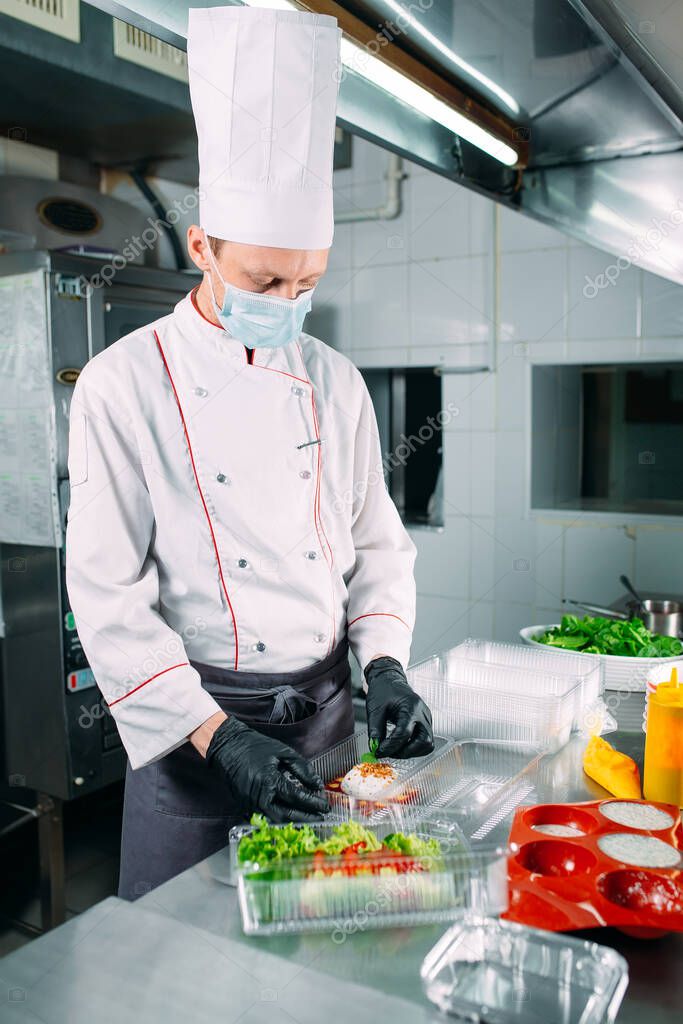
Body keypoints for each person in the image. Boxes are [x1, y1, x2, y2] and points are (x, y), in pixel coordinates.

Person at [66, 4, 433, 901]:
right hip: (195, 731)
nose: (286, 303)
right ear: (202, 247)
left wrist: (385, 665)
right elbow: (107, 595)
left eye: (306, 283)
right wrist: (220, 737)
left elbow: (375, 545)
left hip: (326, 720)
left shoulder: (333, 380)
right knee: (179, 946)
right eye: (265, 281)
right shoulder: (124, 383)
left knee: (321, 925)